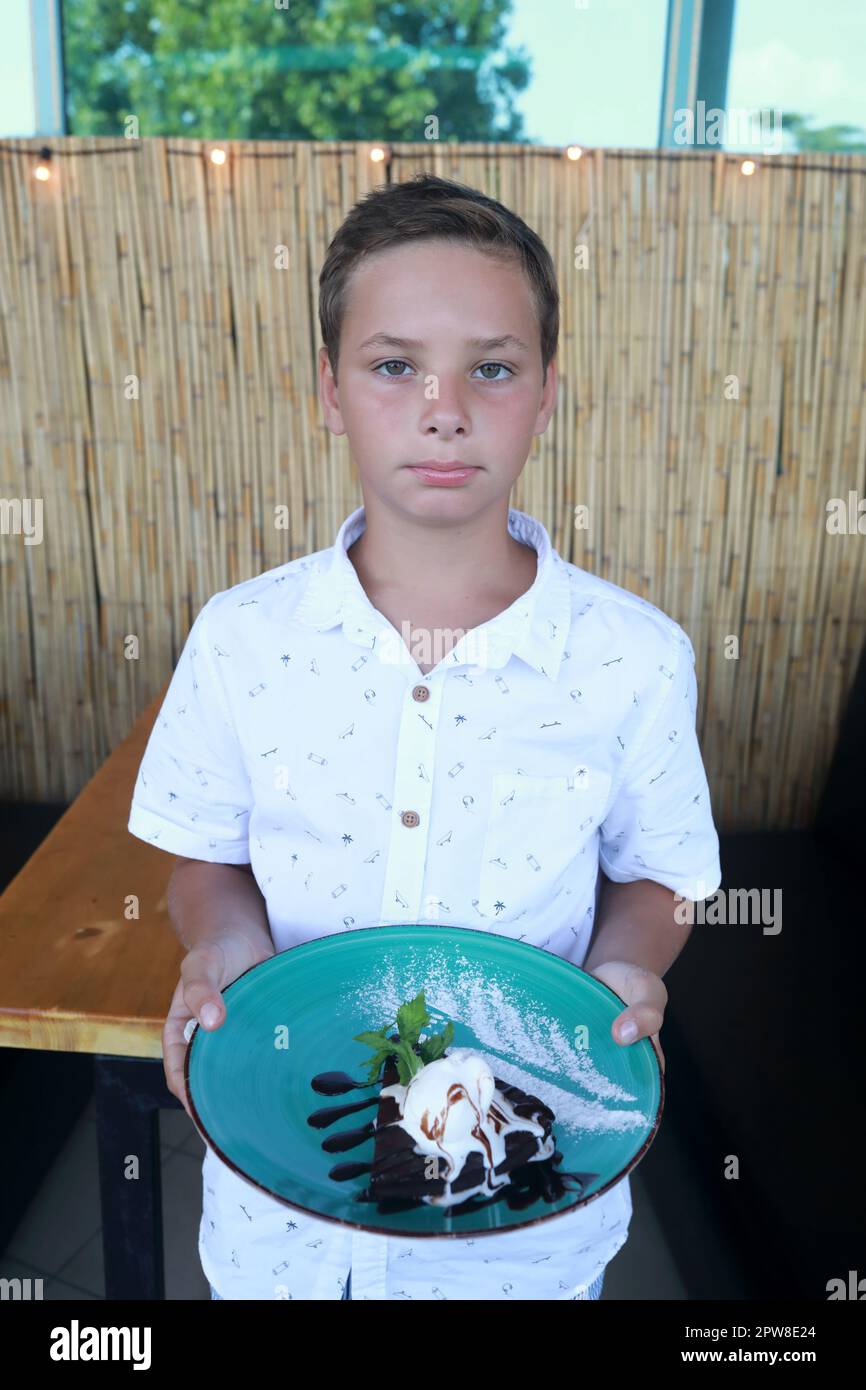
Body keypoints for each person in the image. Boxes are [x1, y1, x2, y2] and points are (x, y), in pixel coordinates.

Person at [127, 173, 722, 1300]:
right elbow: (204, 852)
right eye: (394, 364)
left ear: (544, 394)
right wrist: (224, 950)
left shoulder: (634, 657)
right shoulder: (242, 636)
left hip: (520, 1213)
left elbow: (659, 875)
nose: (443, 407)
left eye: (490, 368)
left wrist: (625, 966)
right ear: (330, 391)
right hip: (281, 1191)